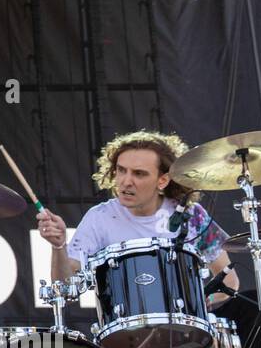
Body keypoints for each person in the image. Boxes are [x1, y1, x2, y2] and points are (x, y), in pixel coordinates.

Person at [36, 129, 239, 303]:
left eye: (139, 174)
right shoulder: (99, 218)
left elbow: (229, 281)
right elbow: (63, 288)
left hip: (185, 335)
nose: (126, 181)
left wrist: (200, 305)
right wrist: (58, 246)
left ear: (162, 181)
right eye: (121, 171)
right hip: (123, 339)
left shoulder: (191, 215)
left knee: (209, 347)